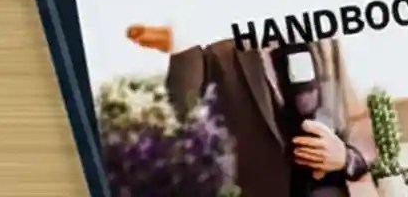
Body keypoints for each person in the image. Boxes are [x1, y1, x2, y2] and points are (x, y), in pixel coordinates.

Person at [126, 23, 380, 197]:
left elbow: (358, 122)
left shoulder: (325, 41)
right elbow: (180, 114)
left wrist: (345, 157)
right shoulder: (218, 52)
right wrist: (181, 46)